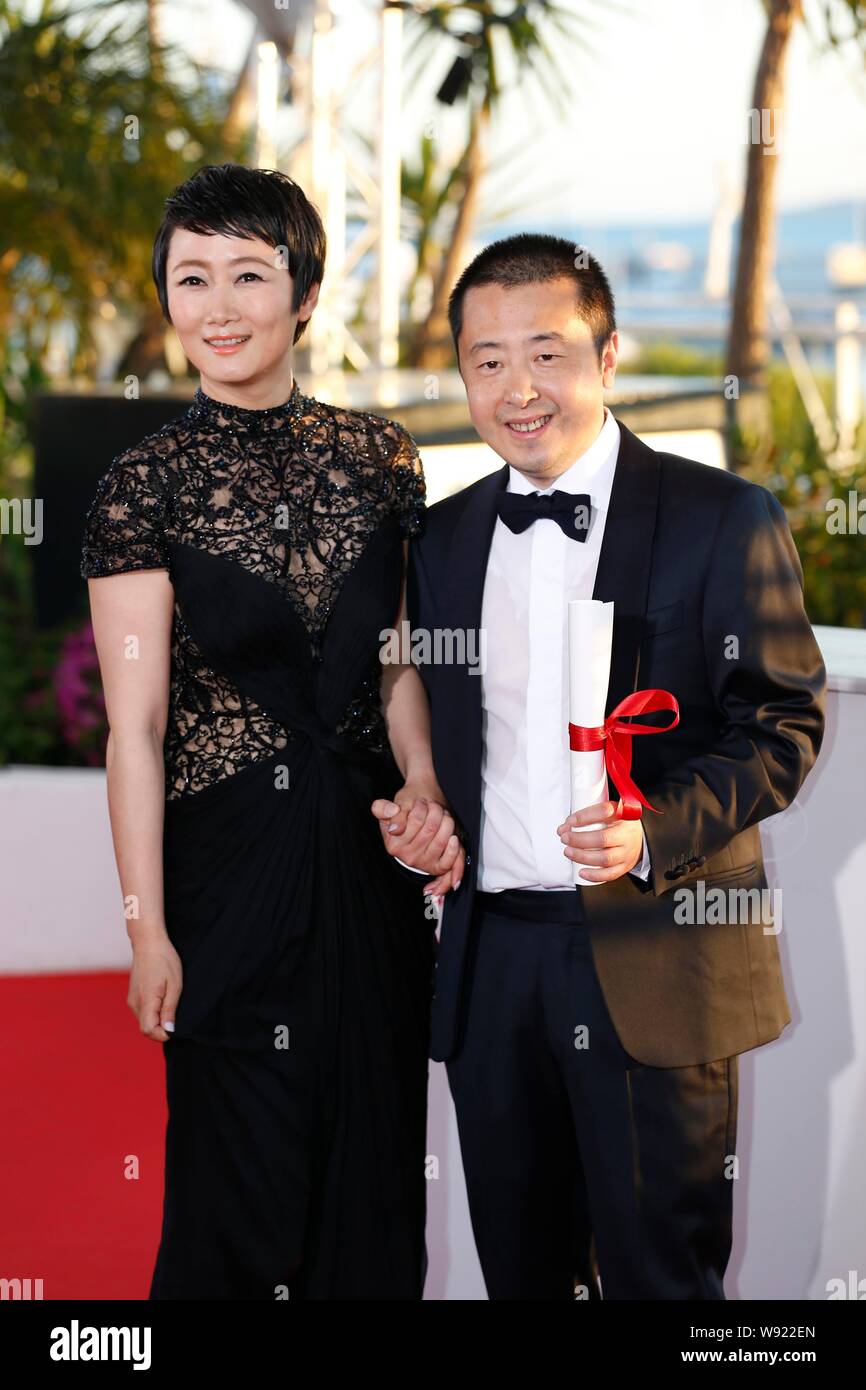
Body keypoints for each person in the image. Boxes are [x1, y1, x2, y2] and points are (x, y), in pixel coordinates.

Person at [378, 232, 827, 1300]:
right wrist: (419, 806)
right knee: (521, 1273)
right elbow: (432, 732)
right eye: (486, 360)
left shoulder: (722, 518)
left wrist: (651, 828)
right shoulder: (438, 543)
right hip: (494, 967)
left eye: (546, 351)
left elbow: (782, 724)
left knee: (658, 1277)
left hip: (654, 950)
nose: (516, 387)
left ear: (608, 353)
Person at [80, 162, 464, 1300]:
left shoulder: (380, 456)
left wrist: (427, 784)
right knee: (235, 1188)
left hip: (363, 860)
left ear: (303, 293)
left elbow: (393, 659)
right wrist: (146, 929)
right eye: (191, 279)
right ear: (167, 300)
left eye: (249, 274)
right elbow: (136, 731)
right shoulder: (139, 485)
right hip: (224, 875)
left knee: (374, 1168)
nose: (219, 306)